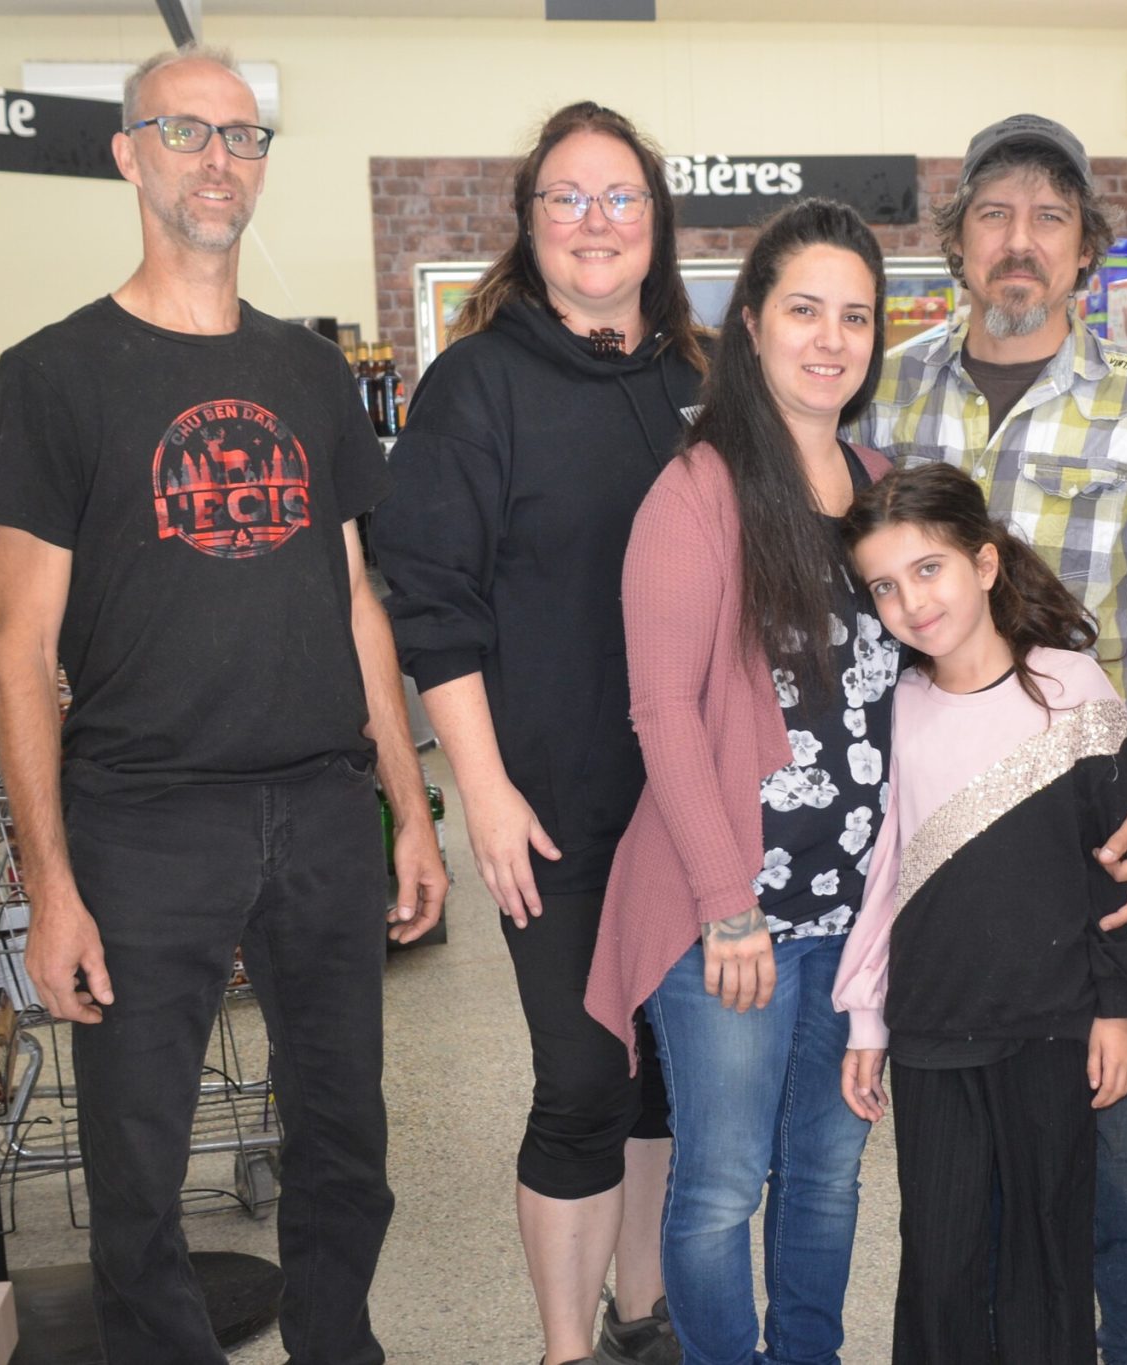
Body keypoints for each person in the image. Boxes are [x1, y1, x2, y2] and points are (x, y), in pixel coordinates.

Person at [0, 45, 446, 1363]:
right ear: (128, 155)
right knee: (135, 1167)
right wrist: (51, 885)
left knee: (347, 1140)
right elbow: (20, 648)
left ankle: (336, 1343)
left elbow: (358, 603)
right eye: (186, 134)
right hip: (141, 822)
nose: (218, 160)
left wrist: (409, 813)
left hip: (316, 810)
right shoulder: (55, 374)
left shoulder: (306, 378)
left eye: (243, 138)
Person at [846, 113, 1127, 1364]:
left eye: (1050, 218)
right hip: (945, 824)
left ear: (1085, 248)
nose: (1020, 241)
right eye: (994, 213)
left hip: (1087, 826)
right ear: (954, 240)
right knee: (968, 1179)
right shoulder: (887, 387)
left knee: (1123, 1142)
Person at [370, 102, 700, 1365]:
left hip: (683, 805)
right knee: (581, 1077)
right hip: (546, 804)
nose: (595, 221)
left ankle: (641, 1317)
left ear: (656, 223)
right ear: (527, 224)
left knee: (662, 1076)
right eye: (566, 197)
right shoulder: (477, 383)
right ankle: (568, 1345)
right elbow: (432, 610)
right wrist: (484, 793)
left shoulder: (695, 378)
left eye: (620, 197)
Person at [582, 199, 893, 1365]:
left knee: (825, 1177)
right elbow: (660, 710)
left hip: (852, 919)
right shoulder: (696, 492)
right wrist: (727, 903)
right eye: (803, 310)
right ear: (751, 325)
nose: (829, 338)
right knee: (718, 1187)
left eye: (854, 316)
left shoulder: (875, 482)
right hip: (732, 927)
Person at [832, 462, 1127, 1364]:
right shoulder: (896, 706)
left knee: (1047, 1259)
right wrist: (867, 1017)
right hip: (933, 1028)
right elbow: (887, 872)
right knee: (938, 1264)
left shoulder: (1072, 691)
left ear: (983, 563)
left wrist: (1118, 1008)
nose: (911, 601)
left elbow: (1119, 876)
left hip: (1055, 1030)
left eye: (929, 569)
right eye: (885, 587)